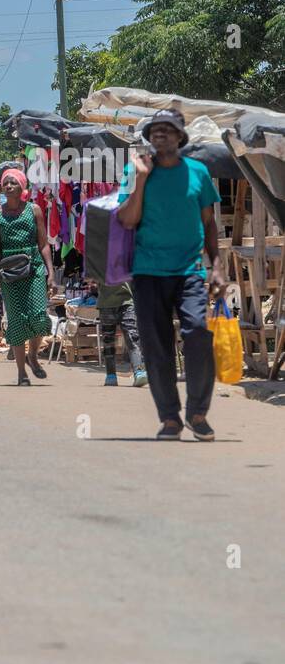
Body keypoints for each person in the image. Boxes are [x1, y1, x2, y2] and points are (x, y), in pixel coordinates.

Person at [117, 108, 223, 440]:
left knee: (197, 332)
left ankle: (198, 412)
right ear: (149, 137)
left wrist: (216, 266)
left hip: (189, 269)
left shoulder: (198, 172)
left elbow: (208, 221)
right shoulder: (135, 172)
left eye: (168, 129)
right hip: (147, 271)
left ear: (180, 137)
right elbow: (128, 219)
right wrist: (142, 179)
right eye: (155, 129)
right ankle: (170, 418)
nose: (160, 133)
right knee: (156, 344)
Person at [0, 168, 54, 385]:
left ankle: (32, 355)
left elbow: (43, 244)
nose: (8, 186)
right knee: (16, 321)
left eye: (13, 182)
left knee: (38, 316)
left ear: (22, 186)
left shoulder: (34, 210)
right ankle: (21, 373)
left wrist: (50, 273)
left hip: (33, 267)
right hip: (9, 273)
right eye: (5, 183)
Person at [98, 280, 147, 388]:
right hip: (106, 304)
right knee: (108, 341)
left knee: (132, 337)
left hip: (127, 302)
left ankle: (139, 372)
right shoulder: (99, 262)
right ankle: (111, 375)